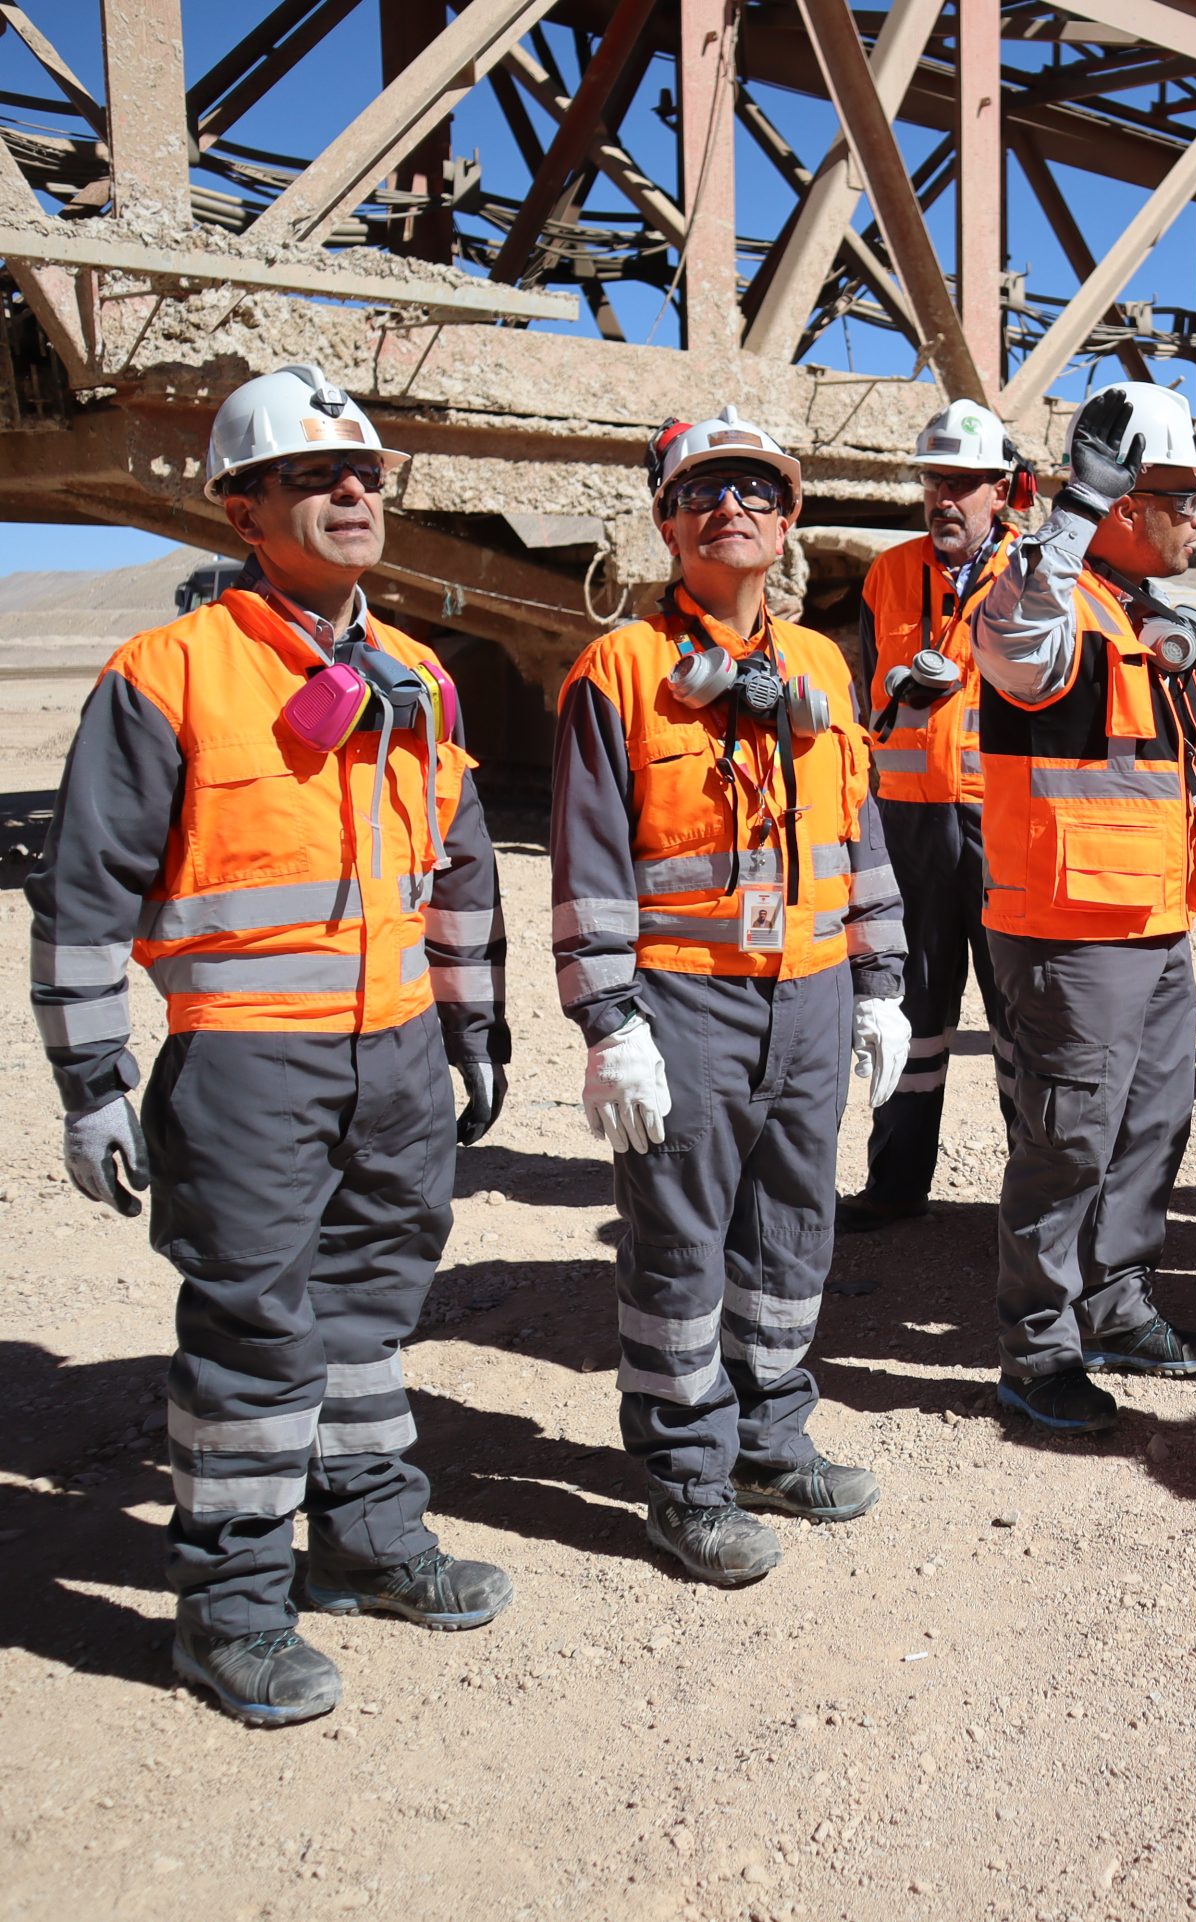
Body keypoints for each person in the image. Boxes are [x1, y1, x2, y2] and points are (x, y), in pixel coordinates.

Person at [27, 364, 511, 1725]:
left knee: (368, 1318)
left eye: (367, 474)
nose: (354, 492)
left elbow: (460, 868)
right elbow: (83, 893)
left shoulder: (417, 675)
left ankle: (365, 1543)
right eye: (315, 476)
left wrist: (474, 1021)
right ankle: (232, 1612)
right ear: (246, 509)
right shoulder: (170, 675)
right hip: (247, 1060)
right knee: (251, 1336)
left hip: (398, 1053)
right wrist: (90, 1080)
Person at [552, 406, 909, 1585]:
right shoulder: (623, 668)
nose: (734, 506)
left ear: (790, 514)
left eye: (758, 486)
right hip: (687, 1002)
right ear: (666, 521)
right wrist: (610, 1024)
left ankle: (770, 1438)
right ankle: (686, 1480)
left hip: (808, 996)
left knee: (794, 1229)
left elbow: (858, 833)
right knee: (681, 1244)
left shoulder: (818, 666)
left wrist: (881, 984)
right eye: (706, 489)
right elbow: (590, 865)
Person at [970, 381, 1196, 1434]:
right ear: (1128, 501)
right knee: (1067, 1139)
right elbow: (1021, 635)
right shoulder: (1043, 595)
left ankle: (1117, 1305)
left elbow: (1140, 749)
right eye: (1186, 496)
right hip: (1066, 930)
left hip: (1149, 918)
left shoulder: (1135, 611)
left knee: (1151, 1126)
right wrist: (1075, 500)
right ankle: (1037, 1350)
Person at [838, 400, 1023, 1233]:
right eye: (934, 480)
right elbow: (870, 691)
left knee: (1021, 1014)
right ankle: (895, 1184)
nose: (943, 497)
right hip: (909, 821)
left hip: (1008, 822)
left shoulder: (1039, 571)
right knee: (910, 1010)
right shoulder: (890, 572)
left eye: (963, 482)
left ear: (1003, 490)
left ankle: (1034, 1192)